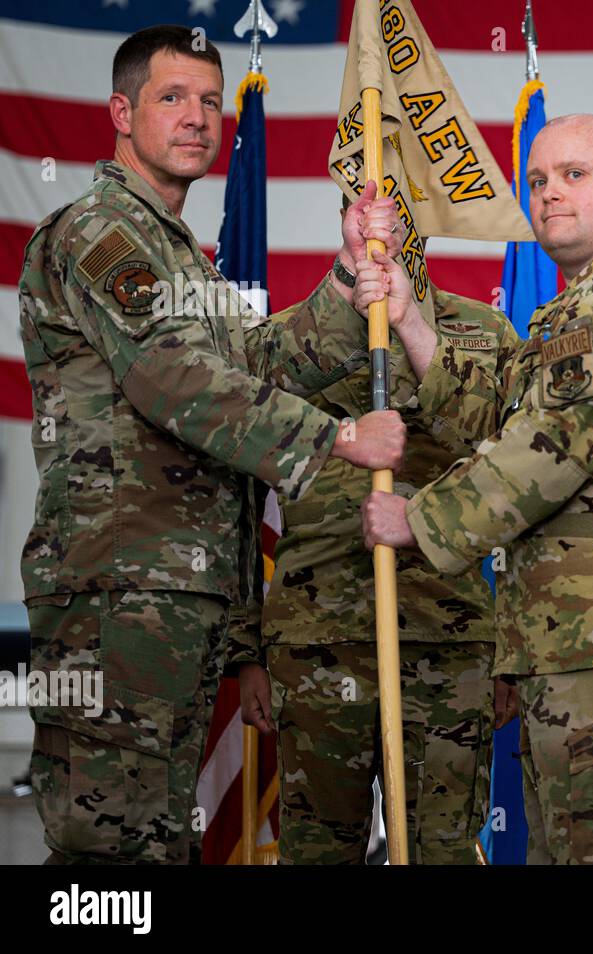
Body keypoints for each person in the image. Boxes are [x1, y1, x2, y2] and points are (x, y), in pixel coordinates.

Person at [18, 24, 405, 864]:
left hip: (179, 598)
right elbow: (177, 380)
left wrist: (344, 284)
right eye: (171, 98)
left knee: (154, 839)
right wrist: (338, 438)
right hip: (118, 591)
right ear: (121, 112)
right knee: (108, 845)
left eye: (208, 101)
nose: (197, 118)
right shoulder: (100, 234)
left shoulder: (181, 259)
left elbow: (253, 361)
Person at [358, 114, 593, 864]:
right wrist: (411, 321)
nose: (549, 192)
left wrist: (418, 519)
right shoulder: (581, 310)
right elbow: (505, 415)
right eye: (538, 179)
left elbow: (544, 451)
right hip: (579, 647)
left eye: (574, 174)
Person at [233, 217, 520, 863]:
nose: (386, 225)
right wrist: (244, 649)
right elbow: (238, 497)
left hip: (448, 639)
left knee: (442, 850)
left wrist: (515, 651)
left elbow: (522, 477)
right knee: (316, 850)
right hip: (316, 640)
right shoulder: (286, 339)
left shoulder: (485, 334)